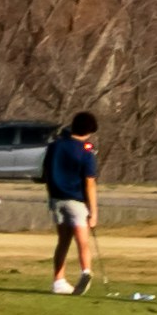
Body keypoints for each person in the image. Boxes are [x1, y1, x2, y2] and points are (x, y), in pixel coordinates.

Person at [41, 112, 102, 294]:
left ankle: (58, 281)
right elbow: (89, 182)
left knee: (63, 241)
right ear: (89, 131)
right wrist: (94, 212)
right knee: (82, 241)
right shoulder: (85, 152)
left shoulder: (55, 146)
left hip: (56, 199)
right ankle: (86, 272)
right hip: (76, 200)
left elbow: (45, 172)